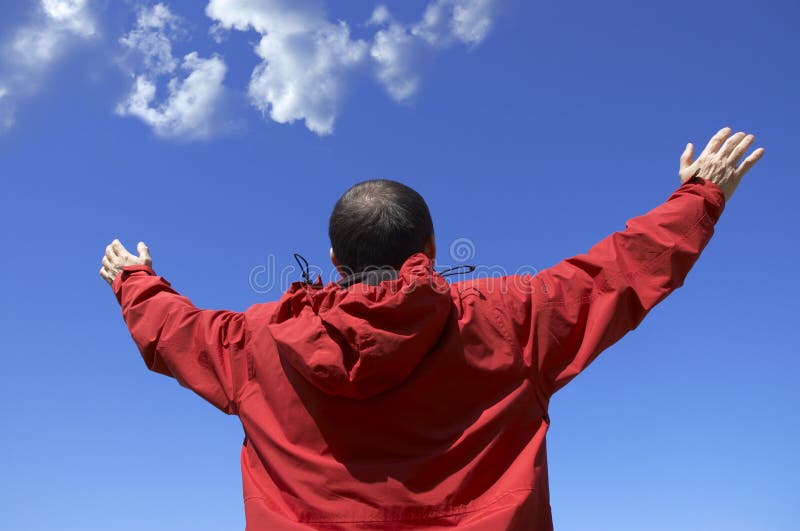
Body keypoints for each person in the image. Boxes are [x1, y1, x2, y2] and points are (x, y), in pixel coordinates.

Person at [100, 127, 763, 530]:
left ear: (334, 259)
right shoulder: (514, 316)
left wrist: (135, 279)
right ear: (433, 245)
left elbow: (172, 327)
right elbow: (620, 271)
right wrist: (698, 196)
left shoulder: (255, 342)